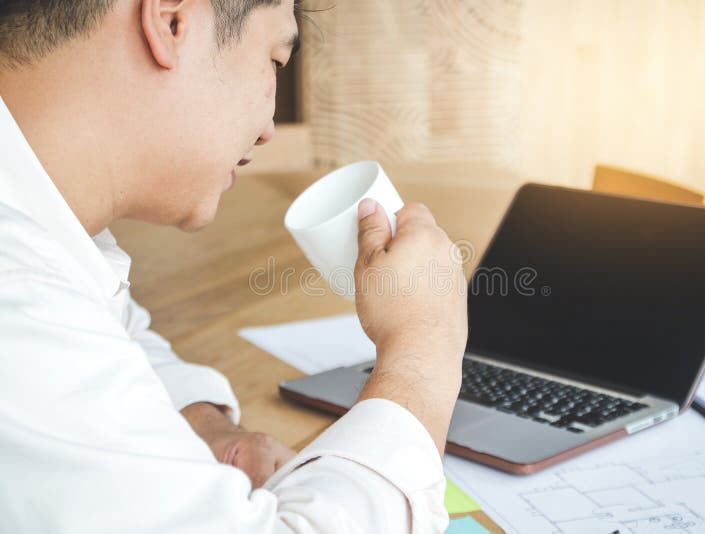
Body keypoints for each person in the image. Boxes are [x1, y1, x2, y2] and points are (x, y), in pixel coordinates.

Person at [0, 1, 468, 533]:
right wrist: (422, 355)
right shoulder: (19, 304)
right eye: (274, 59)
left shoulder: (43, 241)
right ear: (171, 21)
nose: (268, 129)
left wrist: (201, 427)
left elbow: (116, 331)